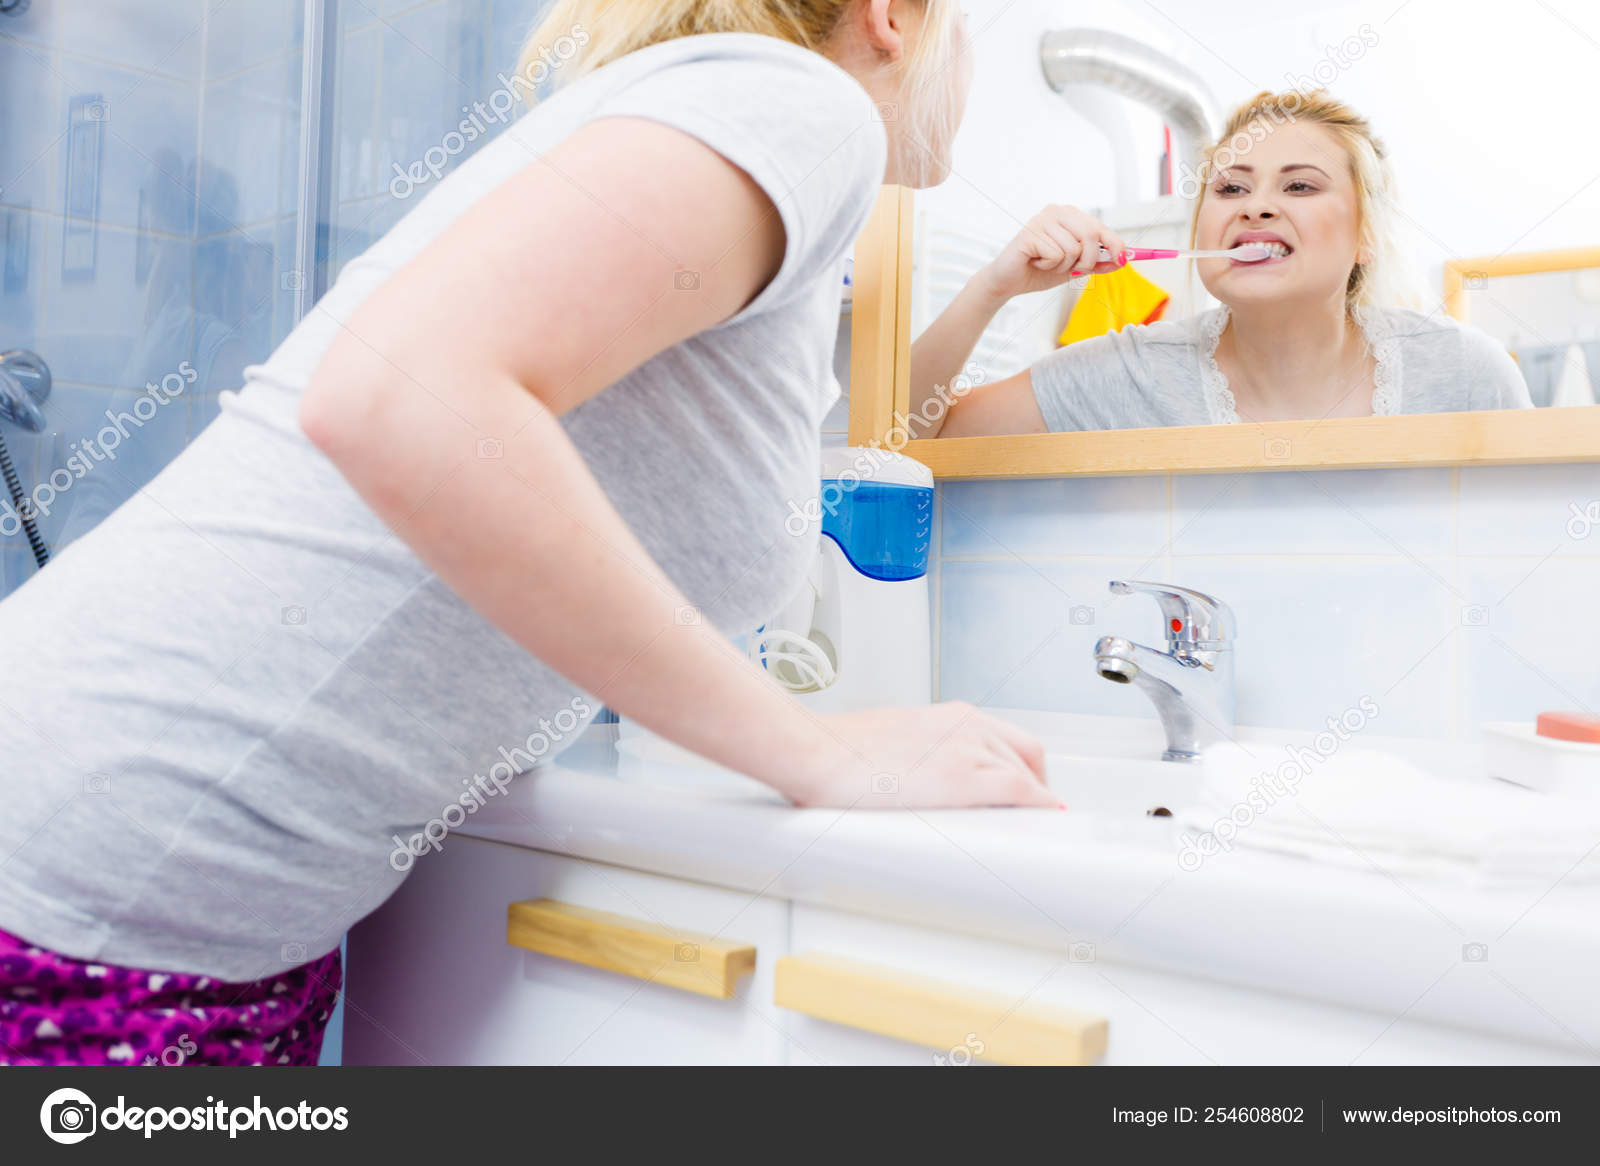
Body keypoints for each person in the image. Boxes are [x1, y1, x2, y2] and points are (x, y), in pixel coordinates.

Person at [0, 0, 1058, 1069]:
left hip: (157, 896)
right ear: (891, 16)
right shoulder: (803, 104)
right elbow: (398, 399)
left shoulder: (701, 121)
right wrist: (813, 749)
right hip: (87, 896)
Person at [911, 90, 1533, 435]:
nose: (1255, 207)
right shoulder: (1131, 373)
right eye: (1231, 189)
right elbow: (906, 440)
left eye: (1299, 187)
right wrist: (991, 288)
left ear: (1366, 235)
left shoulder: (1465, 373)